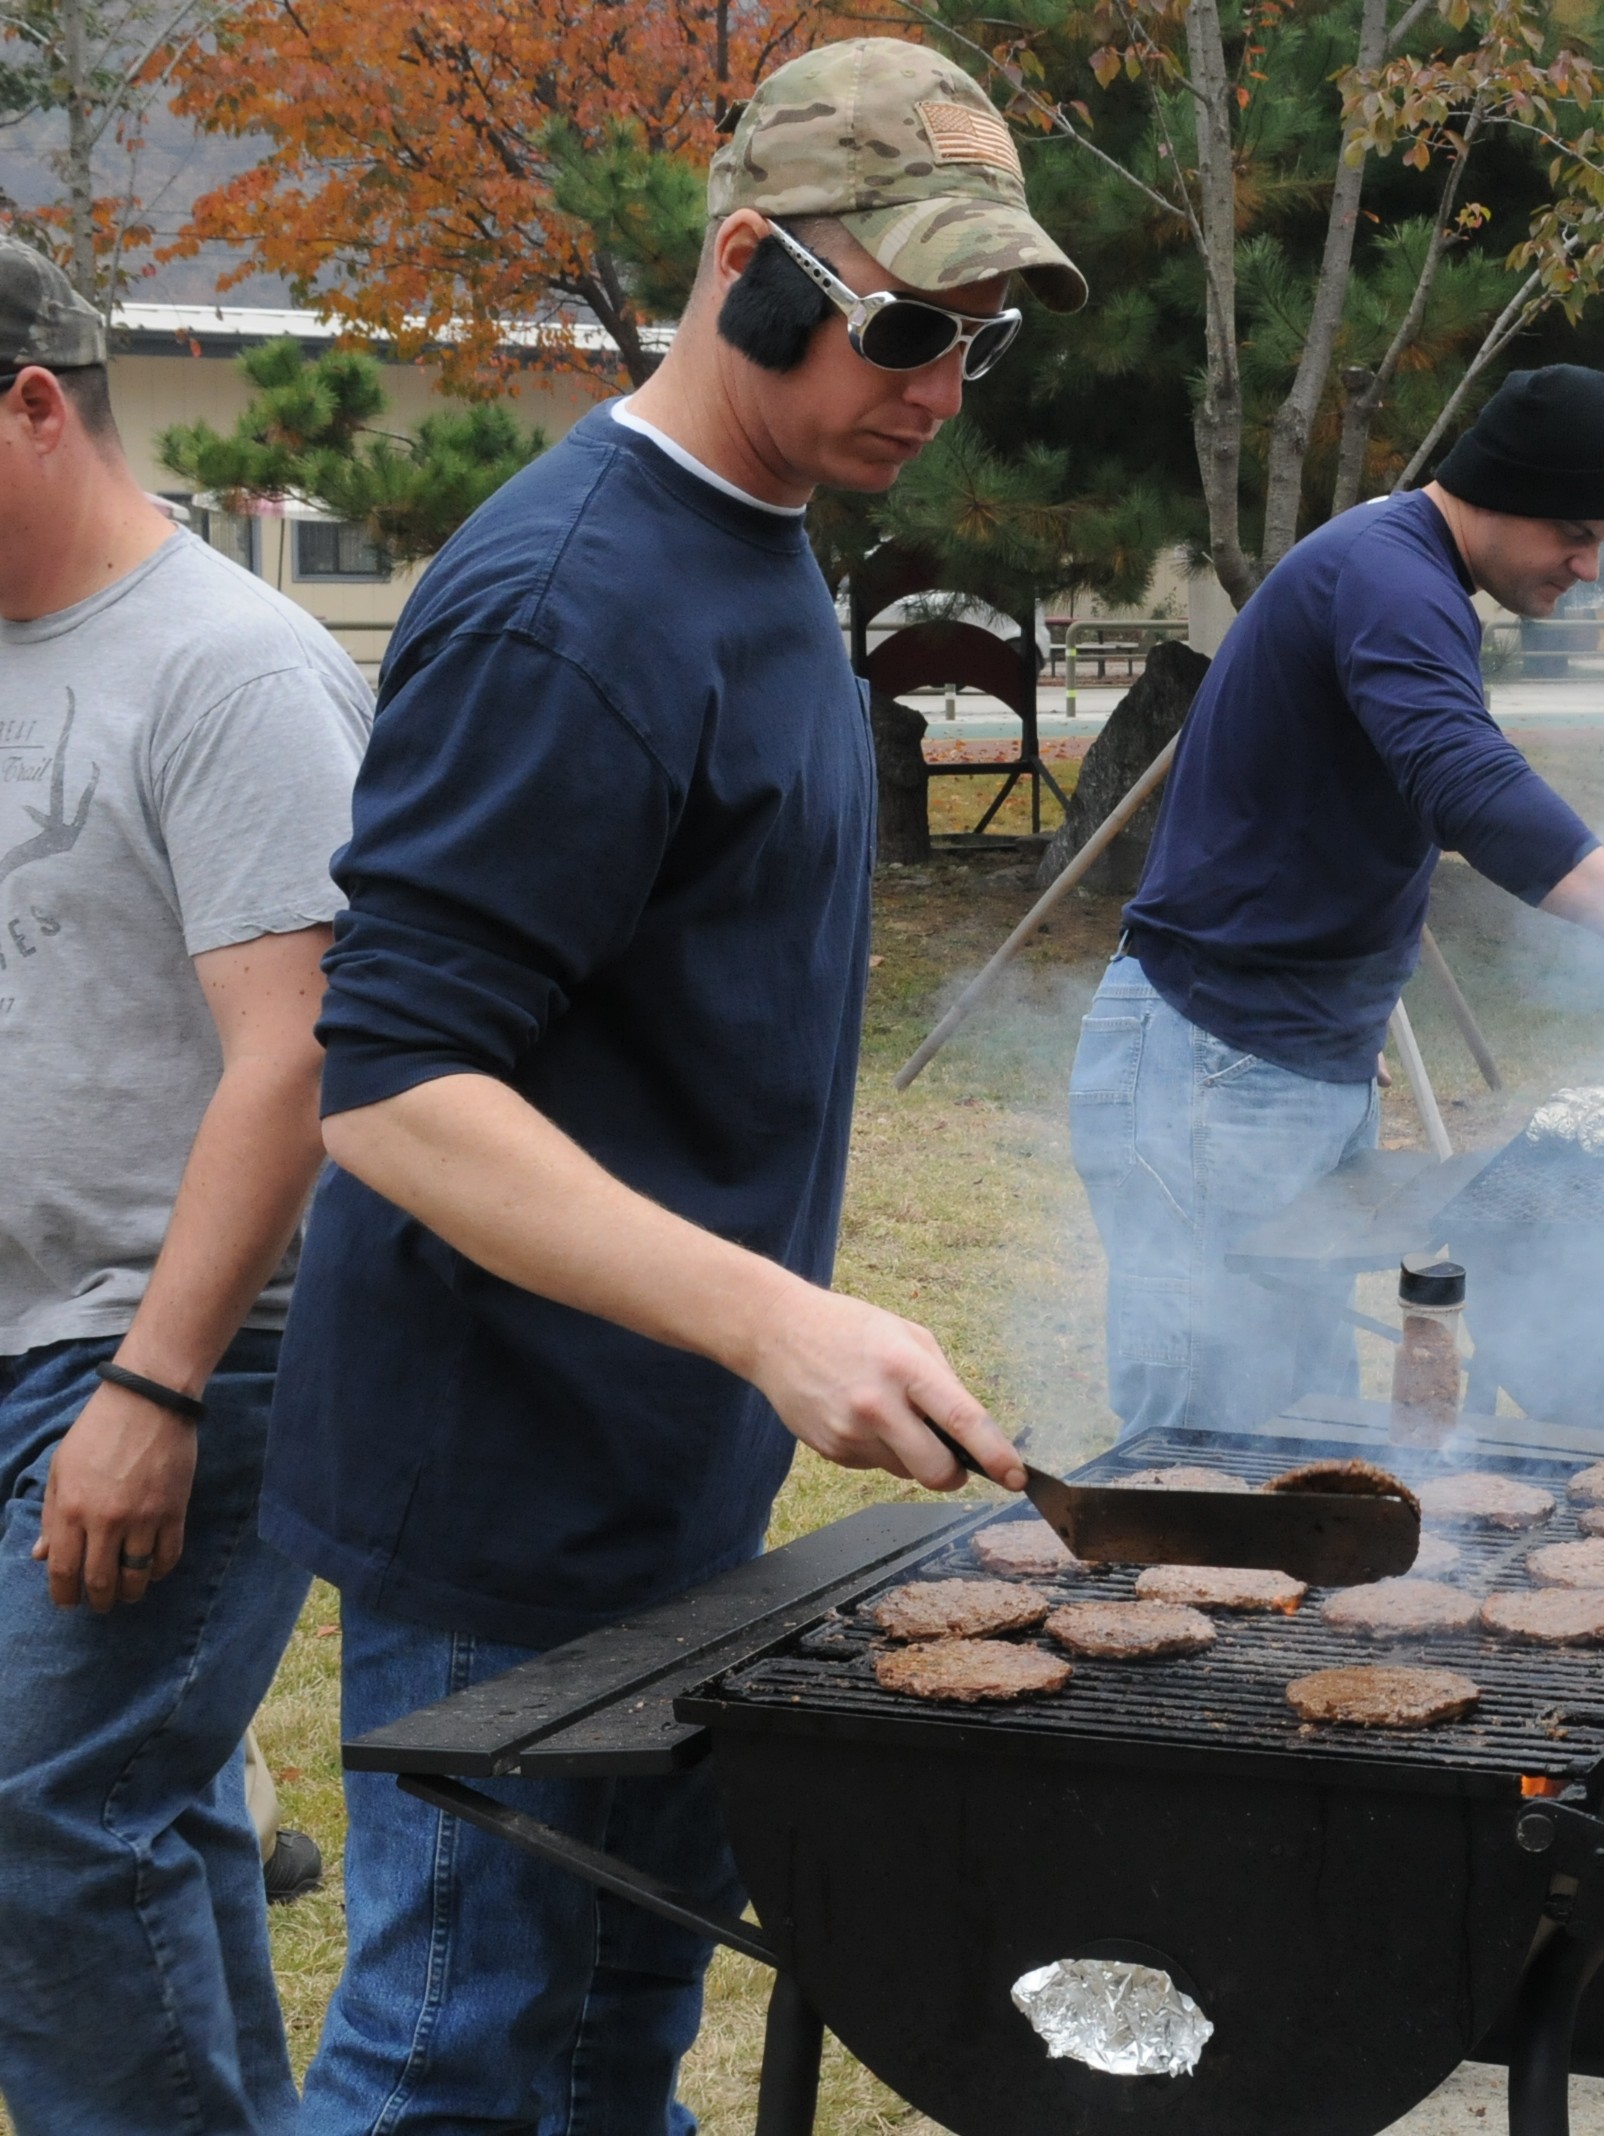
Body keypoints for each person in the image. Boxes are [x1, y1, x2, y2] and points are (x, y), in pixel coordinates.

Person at [259, 40, 1079, 2130]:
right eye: (905, 324)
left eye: (972, 343)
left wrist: (756, 1347)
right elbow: (391, 1087)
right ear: (748, 263)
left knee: (625, 2031)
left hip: (675, 1468)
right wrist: (775, 1315)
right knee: (450, 2053)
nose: (935, 382)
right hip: (504, 1492)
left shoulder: (770, 536)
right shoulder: (570, 606)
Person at [1078, 365, 1604, 1434]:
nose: (1591, 568)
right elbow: (1472, 789)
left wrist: (1340, 1007)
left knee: (1295, 1429)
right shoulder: (1392, 577)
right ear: (1499, 489)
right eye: (1575, 531)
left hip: (1281, 1053)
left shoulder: (1396, 573)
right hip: (1212, 1068)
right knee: (1201, 1440)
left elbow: (1322, 809)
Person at [0, 236, 371, 2134]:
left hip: (176, 1349)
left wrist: (150, 1388)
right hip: (20, 1330)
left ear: (34, 405)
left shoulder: (230, 668)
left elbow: (298, 1050)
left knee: (43, 1819)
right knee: (136, 1822)